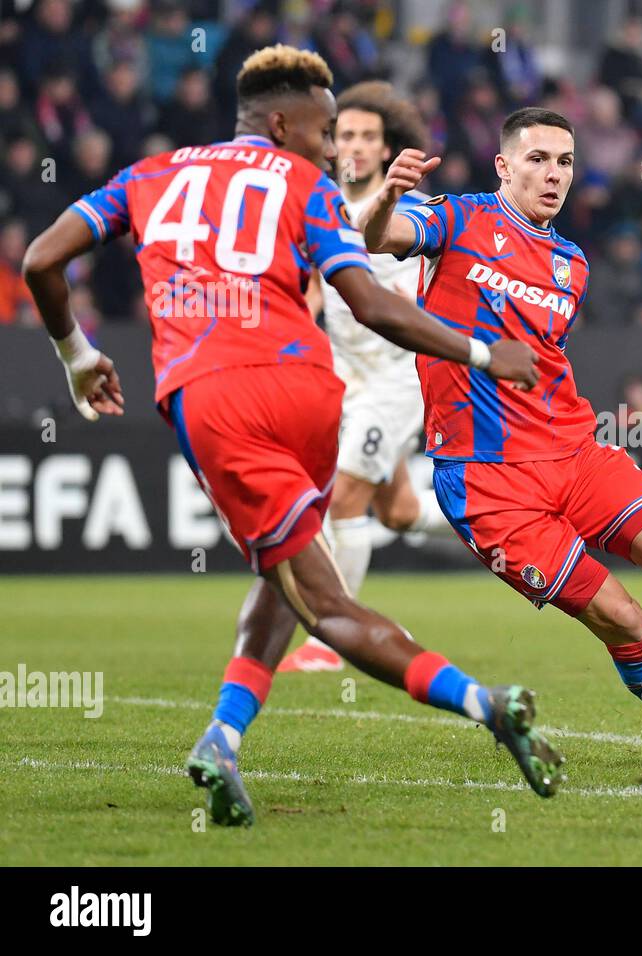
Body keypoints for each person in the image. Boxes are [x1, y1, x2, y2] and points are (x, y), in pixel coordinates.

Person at [22, 46, 563, 826]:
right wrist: (481, 351)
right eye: (323, 129)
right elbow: (371, 302)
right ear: (280, 123)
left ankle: (486, 702)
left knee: (324, 602)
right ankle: (223, 735)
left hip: (215, 399)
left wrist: (77, 359)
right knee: (285, 577)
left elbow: (42, 260)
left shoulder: (148, 174)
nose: (330, 146)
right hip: (311, 393)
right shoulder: (304, 184)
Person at [358, 107, 642, 771]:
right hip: (488, 479)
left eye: (564, 162)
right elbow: (381, 237)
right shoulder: (457, 219)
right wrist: (385, 194)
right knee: (621, 619)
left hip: (574, 451)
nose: (553, 175)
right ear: (504, 165)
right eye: (537, 159)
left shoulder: (572, 264)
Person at [278, 80, 451, 674]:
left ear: (386, 148)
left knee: (343, 496)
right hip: (347, 379)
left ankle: (333, 639)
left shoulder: (412, 212)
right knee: (400, 512)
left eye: (365, 136)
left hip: (401, 379)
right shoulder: (319, 206)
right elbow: (311, 293)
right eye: (342, 133)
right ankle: (494, 525)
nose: (351, 144)